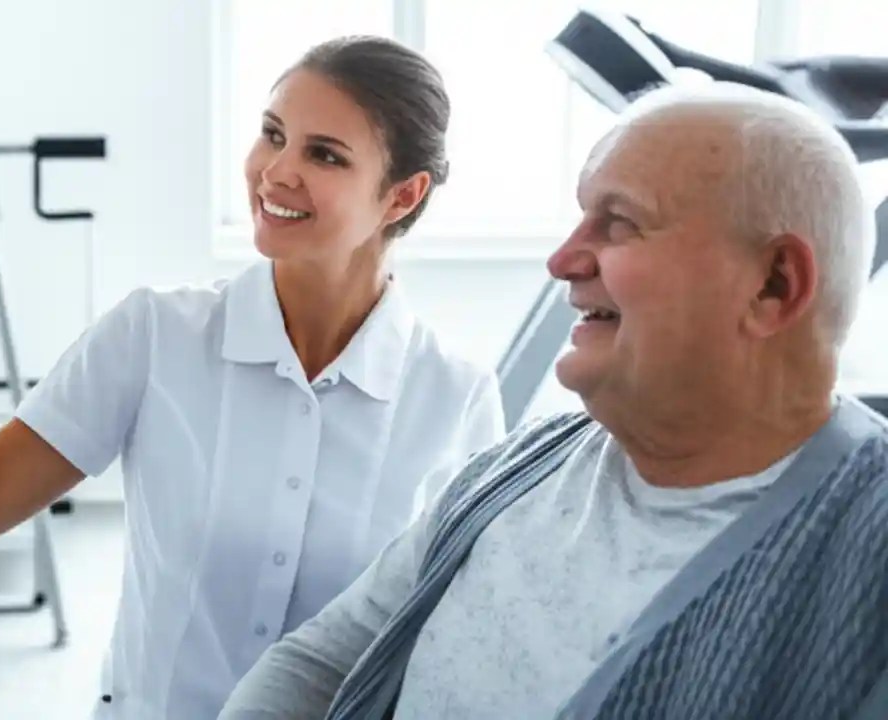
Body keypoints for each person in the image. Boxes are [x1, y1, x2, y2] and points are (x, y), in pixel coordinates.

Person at [0, 36, 505, 718]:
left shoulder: (457, 398)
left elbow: (459, 653)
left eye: (326, 155)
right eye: (273, 133)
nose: (276, 171)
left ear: (401, 197)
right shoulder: (156, 336)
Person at [220, 81, 888, 719]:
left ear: (774, 284)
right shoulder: (520, 464)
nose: (564, 259)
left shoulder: (865, 559)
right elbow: (320, 662)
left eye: (620, 223)